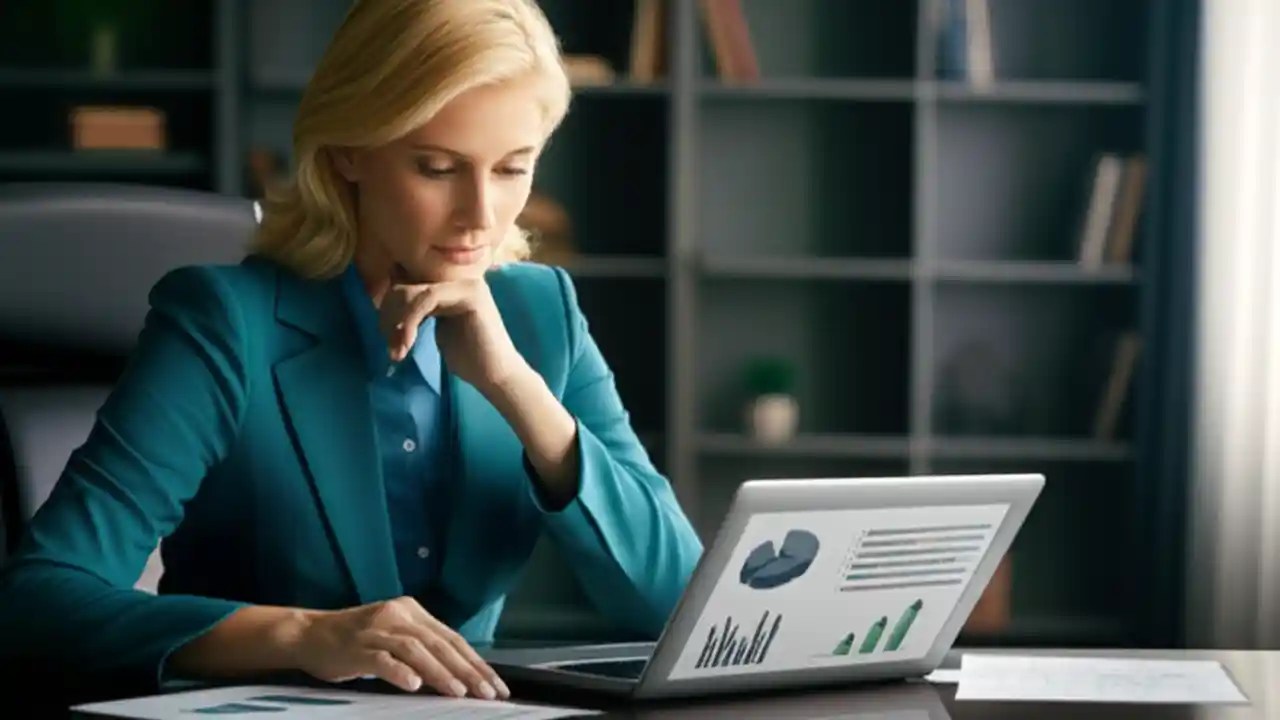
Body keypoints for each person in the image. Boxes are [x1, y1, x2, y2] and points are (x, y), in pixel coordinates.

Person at [0, 0, 702, 703]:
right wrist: (305, 635)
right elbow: (40, 604)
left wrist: (517, 388)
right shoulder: (226, 323)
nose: (480, 216)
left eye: (512, 169)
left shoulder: (541, 315)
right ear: (348, 151)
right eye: (437, 168)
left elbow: (682, 612)